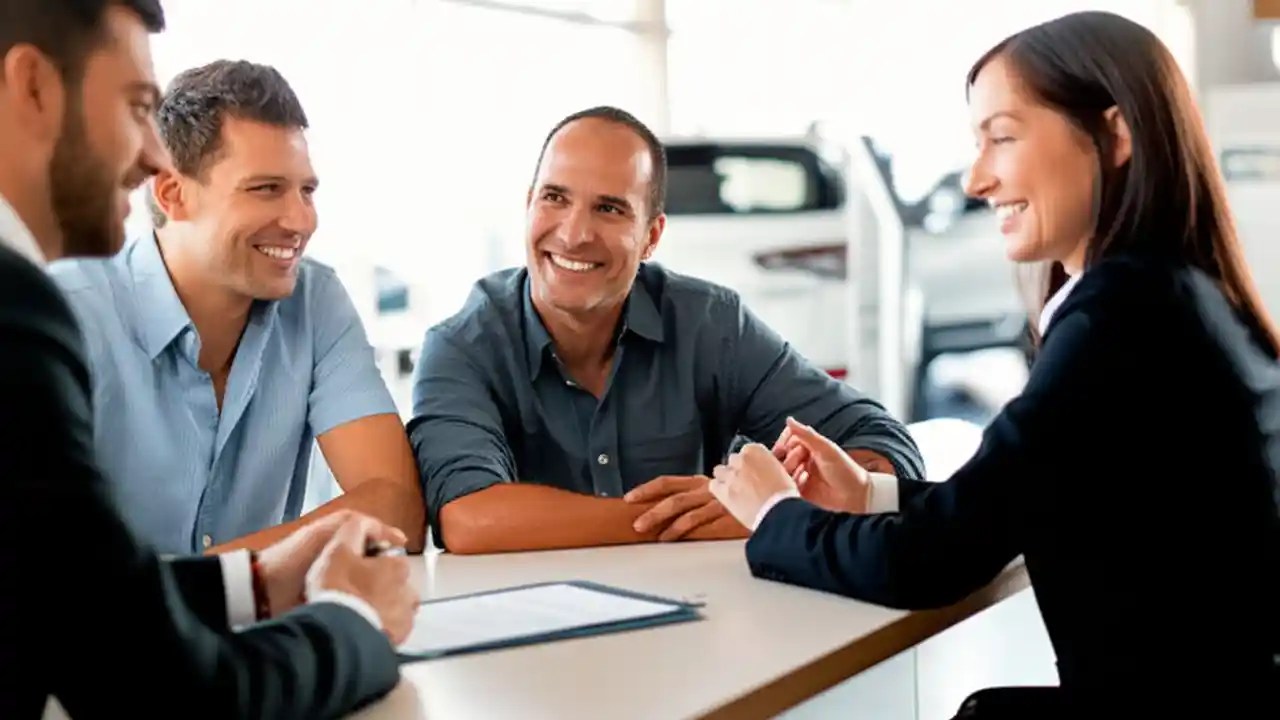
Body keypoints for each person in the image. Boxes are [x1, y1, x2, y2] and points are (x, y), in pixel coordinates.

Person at [708, 11, 1279, 718]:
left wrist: (775, 514)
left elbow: (931, 561)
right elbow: (1018, 499)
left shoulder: (1120, 316)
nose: (978, 179)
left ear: (1116, 133)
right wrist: (867, 495)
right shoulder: (1180, 291)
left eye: (1002, 137)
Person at [0, 2, 417, 717]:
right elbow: (169, 690)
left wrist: (251, 583)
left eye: (306, 189)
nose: (153, 153)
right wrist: (355, 621)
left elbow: (73, 593)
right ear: (34, 86)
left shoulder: (314, 299)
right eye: (136, 107)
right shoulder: (30, 309)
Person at [408, 105, 923, 554]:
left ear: (651, 236)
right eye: (555, 199)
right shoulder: (462, 346)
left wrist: (782, 501)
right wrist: (713, 516)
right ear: (529, 205)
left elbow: (883, 444)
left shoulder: (710, 324)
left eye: (609, 209)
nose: (573, 233)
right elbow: (469, 519)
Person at [47, 58, 425, 556]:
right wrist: (222, 589)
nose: (300, 220)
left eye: (306, 190)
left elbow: (396, 510)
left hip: (254, 628)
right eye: (266, 189)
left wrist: (203, 588)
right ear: (173, 193)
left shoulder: (315, 301)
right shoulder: (67, 312)